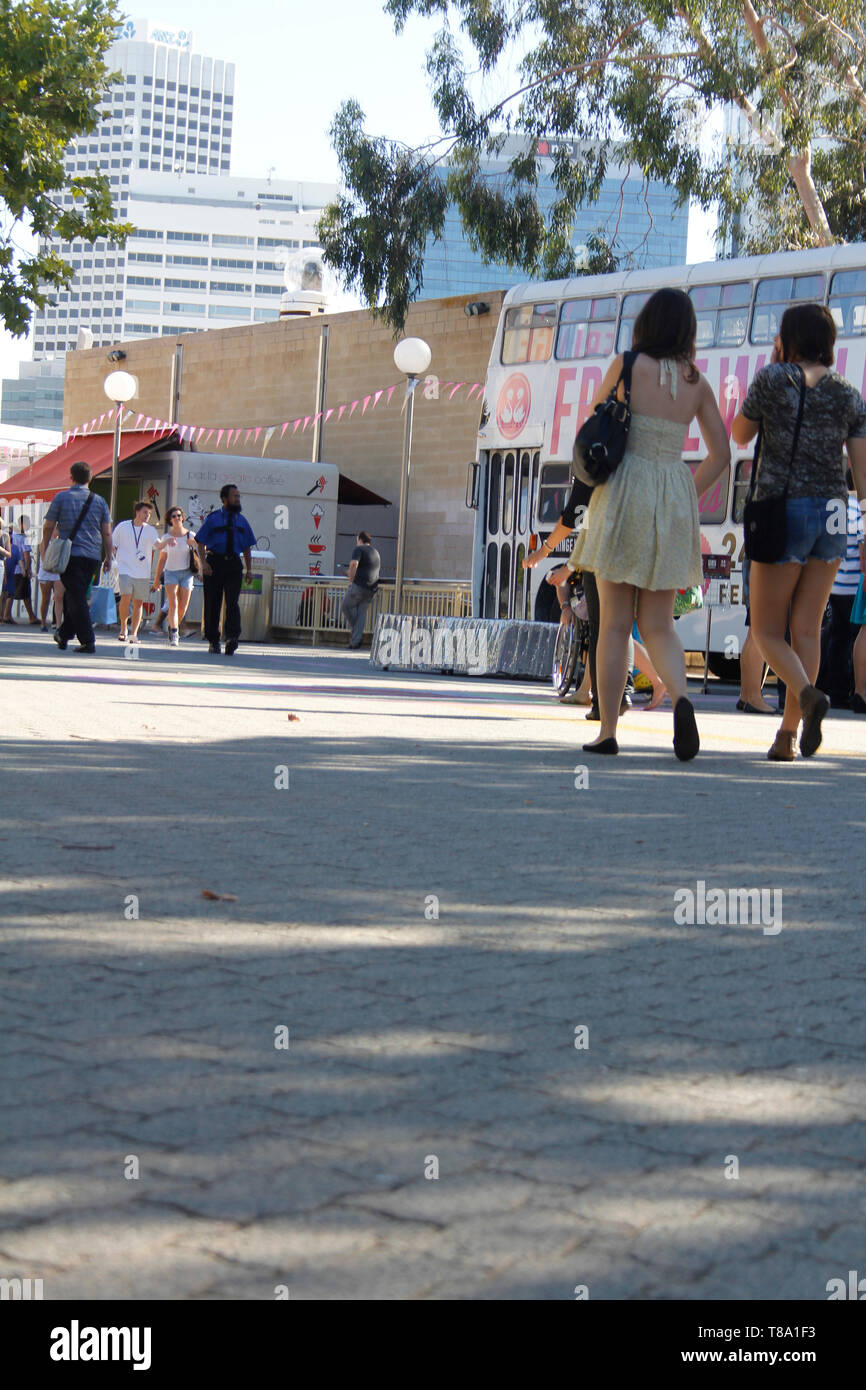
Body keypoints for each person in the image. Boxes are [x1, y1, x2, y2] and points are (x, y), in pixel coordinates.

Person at [568, 287, 731, 757]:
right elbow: (722, 453)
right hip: (669, 497)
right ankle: (681, 698)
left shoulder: (625, 366)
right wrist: (685, 494)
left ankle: (608, 732)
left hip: (621, 496)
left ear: (647, 324)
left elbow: (592, 424)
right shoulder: (696, 383)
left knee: (615, 624)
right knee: (659, 624)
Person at [732, 303, 866, 760]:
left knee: (768, 631)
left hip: (782, 509)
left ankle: (808, 694)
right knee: (807, 628)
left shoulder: (773, 380)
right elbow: (862, 479)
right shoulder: (849, 394)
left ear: (785, 340)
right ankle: (787, 737)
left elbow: (739, 433)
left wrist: (774, 362)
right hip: (833, 513)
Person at [524, 478, 634, 717]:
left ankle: (602, 707)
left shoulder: (591, 455)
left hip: (600, 555)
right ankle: (626, 690)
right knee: (623, 624)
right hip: (632, 547)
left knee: (600, 628)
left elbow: (575, 513)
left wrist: (545, 551)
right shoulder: (633, 455)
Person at [41, 461, 113, 653]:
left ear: (71, 477)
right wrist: (109, 556)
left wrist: (45, 548)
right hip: (92, 556)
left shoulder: (61, 498)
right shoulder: (99, 501)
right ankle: (63, 635)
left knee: (76, 596)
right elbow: (106, 532)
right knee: (76, 595)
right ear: (90, 479)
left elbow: (48, 526)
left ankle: (88, 640)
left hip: (69, 555)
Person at [816, 473, 864, 708]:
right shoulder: (859, 509)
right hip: (853, 584)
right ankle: (850, 689)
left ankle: (836, 690)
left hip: (833, 583)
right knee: (853, 637)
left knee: (838, 637)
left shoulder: (836, 505)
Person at [195, 483, 255, 655]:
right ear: (224, 499)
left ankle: (232, 638)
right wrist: (204, 563)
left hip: (234, 563)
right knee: (213, 602)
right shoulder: (213, 519)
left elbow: (247, 547)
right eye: (234, 496)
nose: (237, 499)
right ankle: (213, 640)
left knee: (232, 602)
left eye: (238, 496)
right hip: (214, 562)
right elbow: (200, 542)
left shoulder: (242, 521)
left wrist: (249, 570)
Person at [112, 500, 160, 644]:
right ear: (137, 512)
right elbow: (113, 544)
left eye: (149, 513)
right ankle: (123, 629)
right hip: (124, 568)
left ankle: (133, 634)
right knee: (125, 597)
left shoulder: (150, 530)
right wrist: (114, 560)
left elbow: (157, 545)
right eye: (145, 512)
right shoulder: (123, 526)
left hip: (142, 571)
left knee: (138, 603)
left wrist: (168, 542)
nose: (147, 515)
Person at [153, 505, 198, 647]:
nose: (177, 518)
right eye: (174, 516)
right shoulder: (166, 537)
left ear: (183, 517)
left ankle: (174, 626)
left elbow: (205, 548)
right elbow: (161, 560)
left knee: (183, 607)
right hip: (170, 573)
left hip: (187, 574)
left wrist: (195, 544)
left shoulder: (191, 535)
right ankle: (174, 632)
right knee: (173, 603)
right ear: (170, 520)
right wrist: (156, 579)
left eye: (179, 515)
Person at [341, 529, 380, 649]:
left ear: (360, 540)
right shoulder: (375, 552)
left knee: (345, 606)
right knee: (361, 613)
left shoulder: (359, 549)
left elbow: (354, 564)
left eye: (357, 540)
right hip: (372, 588)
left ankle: (356, 631)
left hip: (359, 586)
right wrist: (350, 573)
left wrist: (351, 580)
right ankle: (355, 642)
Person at [1, 516, 39, 624]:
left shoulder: (11, 536)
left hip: (10, 568)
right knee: (25, 593)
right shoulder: (23, 538)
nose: (29, 526)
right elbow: (26, 554)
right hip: (20, 569)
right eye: (28, 524)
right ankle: (30, 617)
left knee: (10, 592)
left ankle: (6, 615)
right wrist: (28, 569)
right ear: (22, 524)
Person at [37, 534, 65, 632]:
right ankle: (43, 622)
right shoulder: (44, 541)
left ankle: (58, 624)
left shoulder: (63, 541)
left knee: (58, 597)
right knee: (46, 598)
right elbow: (44, 558)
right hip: (46, 571)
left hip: (58, 571)